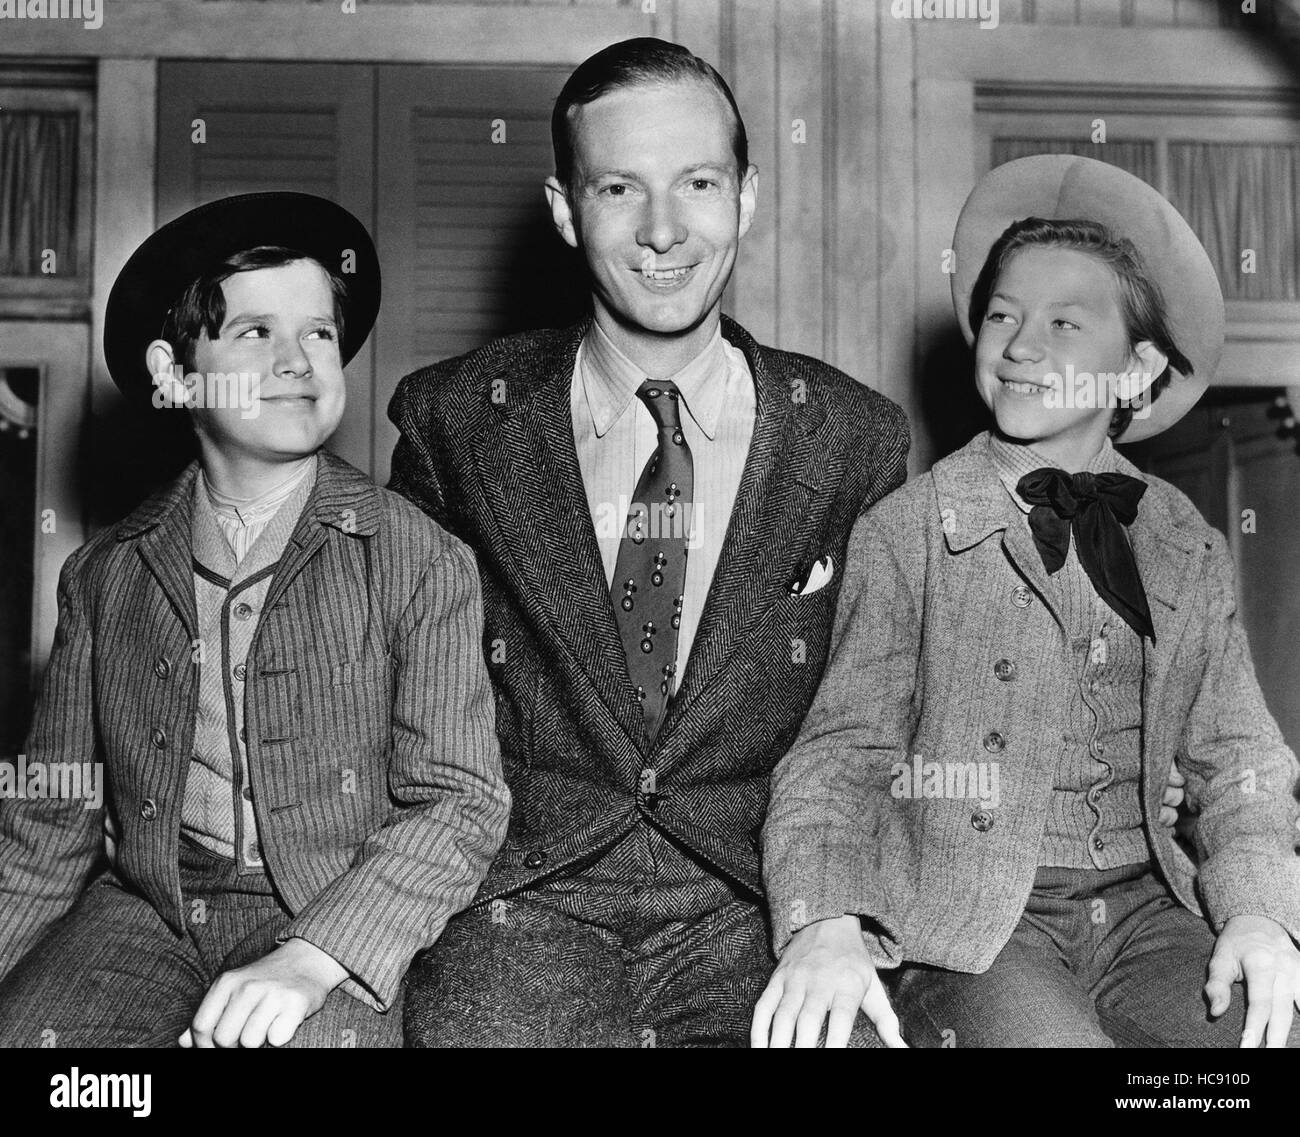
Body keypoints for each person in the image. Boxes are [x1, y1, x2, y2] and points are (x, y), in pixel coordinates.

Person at [388, 37, 911, 1047]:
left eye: (698, 183)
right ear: (562, 208)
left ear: (746, 196)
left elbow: (864, 721)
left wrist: (830, 913)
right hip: (520, 900)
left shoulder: (854, 436)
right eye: (620, 188)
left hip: (755, 901)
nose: (664, 229)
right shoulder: (452, 420)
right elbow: (412, 709)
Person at [756, 154, 1300, 1048]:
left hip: (1147, 906)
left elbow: (1240, 760)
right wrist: (824, 917)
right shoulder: (909, 530)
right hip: (973, 925)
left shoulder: (1184, 541)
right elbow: (840, 755)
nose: (1019, 345)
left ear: (1137, 370)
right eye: (1002, 316)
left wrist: (1258, 914)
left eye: (1064, 323)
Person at [0, 192, 509, 1047]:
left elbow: (458, 803)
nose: (300, 360)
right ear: (174, 375)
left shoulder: (420, 557)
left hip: (334, 904)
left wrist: (317, 955)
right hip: (146, 909)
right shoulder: (104, 575)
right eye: (254, 333)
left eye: (318, 332)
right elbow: (51, 817)